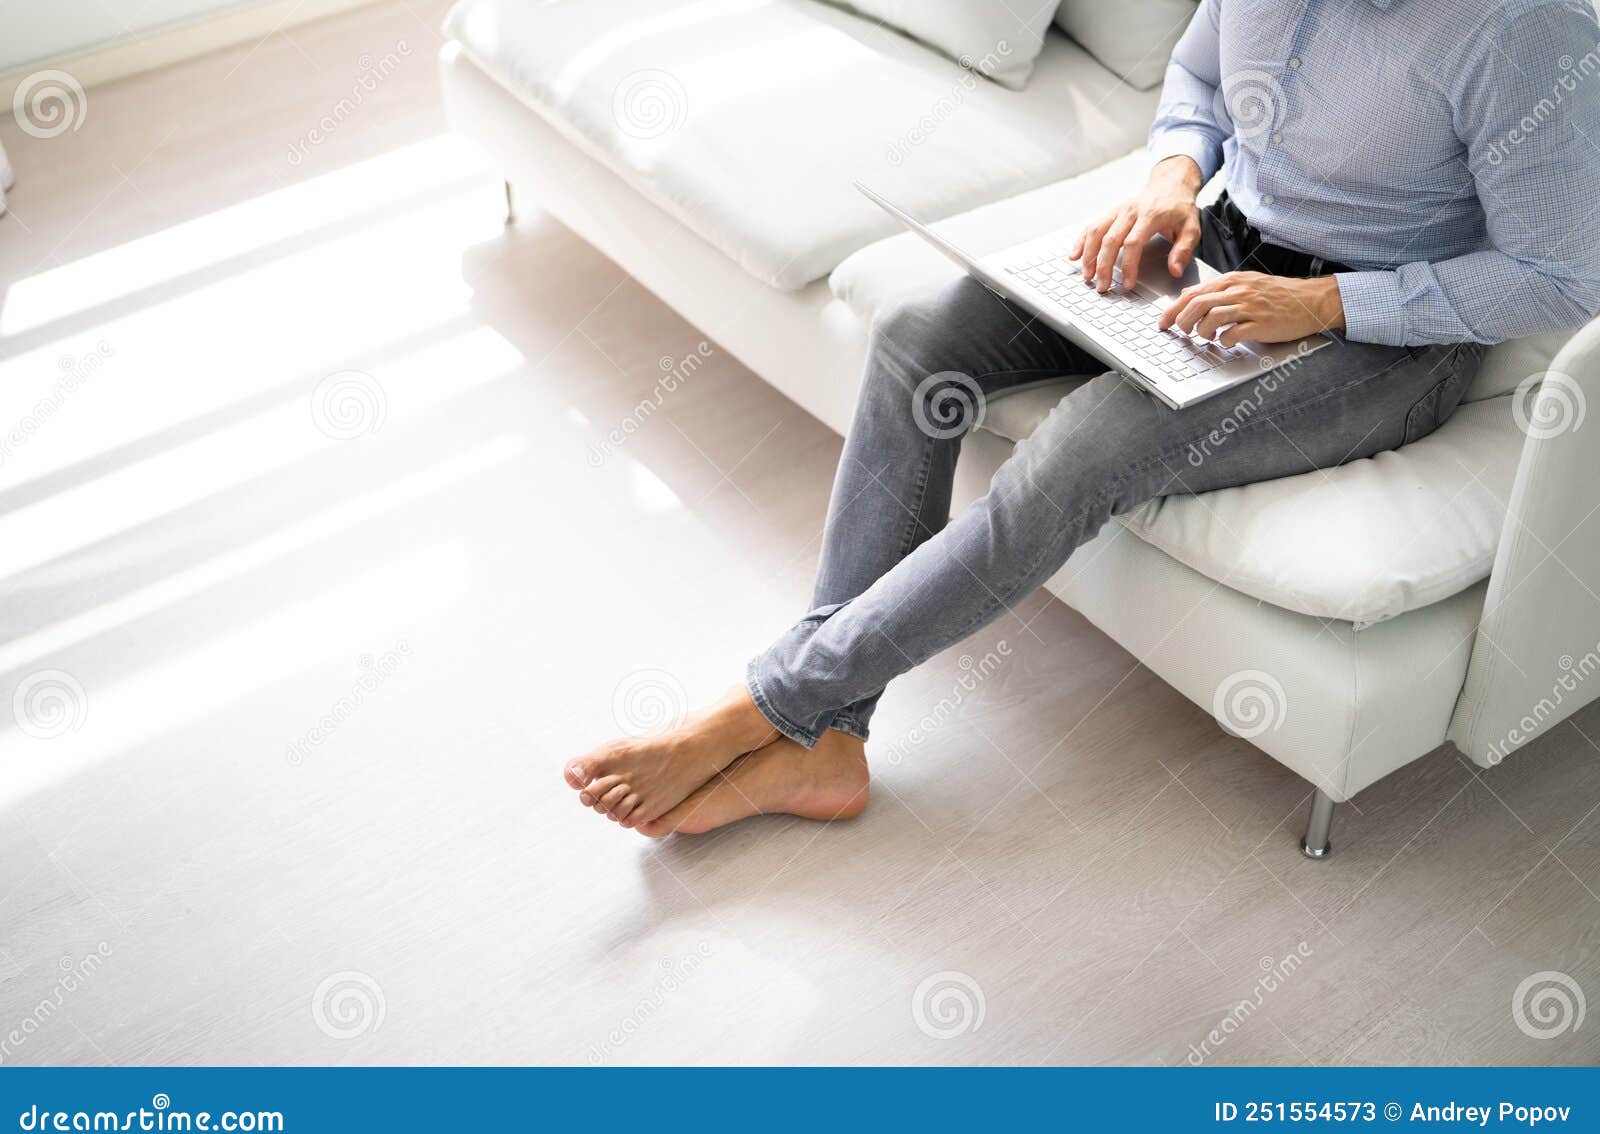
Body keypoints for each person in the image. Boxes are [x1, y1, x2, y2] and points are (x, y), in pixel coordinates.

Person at [564, 0, 1600, 837]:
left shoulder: (1525, 32)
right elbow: (1198, 74)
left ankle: (774, 703)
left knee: (1081, 449)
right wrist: (1173, 179)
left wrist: (1323, 305)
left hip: (1379, 339)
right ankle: (828, 741)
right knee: (923, 335)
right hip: (1222, 244)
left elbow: (1562, 277)